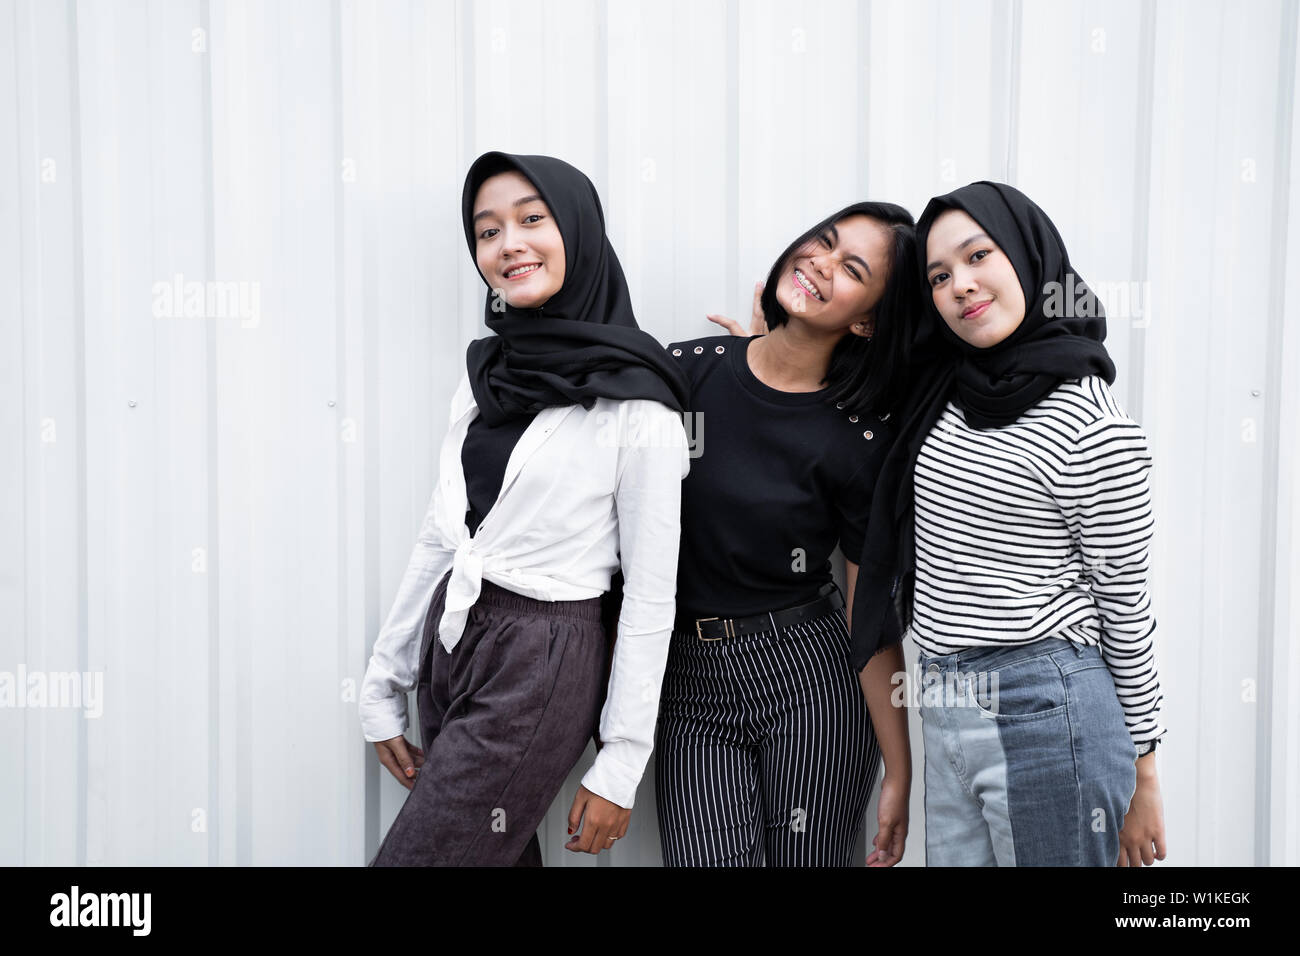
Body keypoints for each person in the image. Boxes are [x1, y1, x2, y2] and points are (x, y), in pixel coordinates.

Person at [359, 151, 691, 866]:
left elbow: (651, 598)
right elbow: (441, 538)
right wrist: (386, 679)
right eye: (487, 230)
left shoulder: (639, 405)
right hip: (453, 641)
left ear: (578, 229)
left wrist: (621, 764)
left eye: (532, 219)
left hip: (543, 659)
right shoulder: (485, 375)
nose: (508, 243)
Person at [851, 180, 1167, 866]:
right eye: (939, 276)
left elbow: (1126, 603)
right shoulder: (946, 388)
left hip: (1046, 706)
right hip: (942, 699)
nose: (960, 285)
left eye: (978, 256)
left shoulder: (1092, 423)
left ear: (1028, 257)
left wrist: (1144, 771)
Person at [657, 202, 919, 866]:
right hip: (688, 681)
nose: (821, 263)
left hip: (809, 678)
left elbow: (870, 614)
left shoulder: (859, 437)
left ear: (866, 319)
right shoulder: (686, 373)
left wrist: (900, 770)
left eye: (852, 267)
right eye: (823, 242)